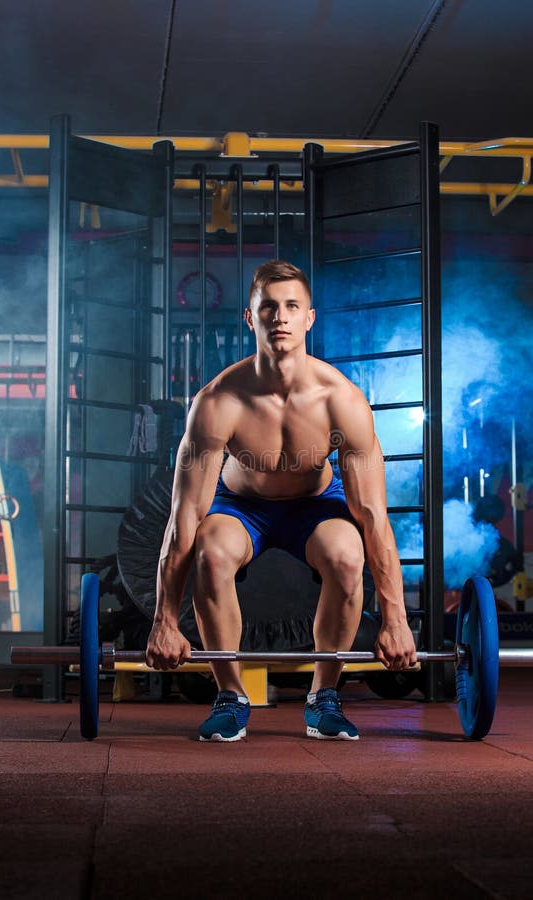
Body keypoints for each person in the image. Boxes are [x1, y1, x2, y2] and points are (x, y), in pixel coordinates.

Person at [146, 260, 417, 741]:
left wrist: (395, 619)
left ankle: (323, 696)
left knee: (347, 554)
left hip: (315, 504)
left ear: (309, 318)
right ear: (249, 317)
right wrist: (164, 620)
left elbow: (374, 517)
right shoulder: (217, 402)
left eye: (292, 306)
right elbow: (184, 515)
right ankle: (230, 697)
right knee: (211, 551)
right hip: (240, 504)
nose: (280, 317)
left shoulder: (342, 401)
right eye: (268, 307)